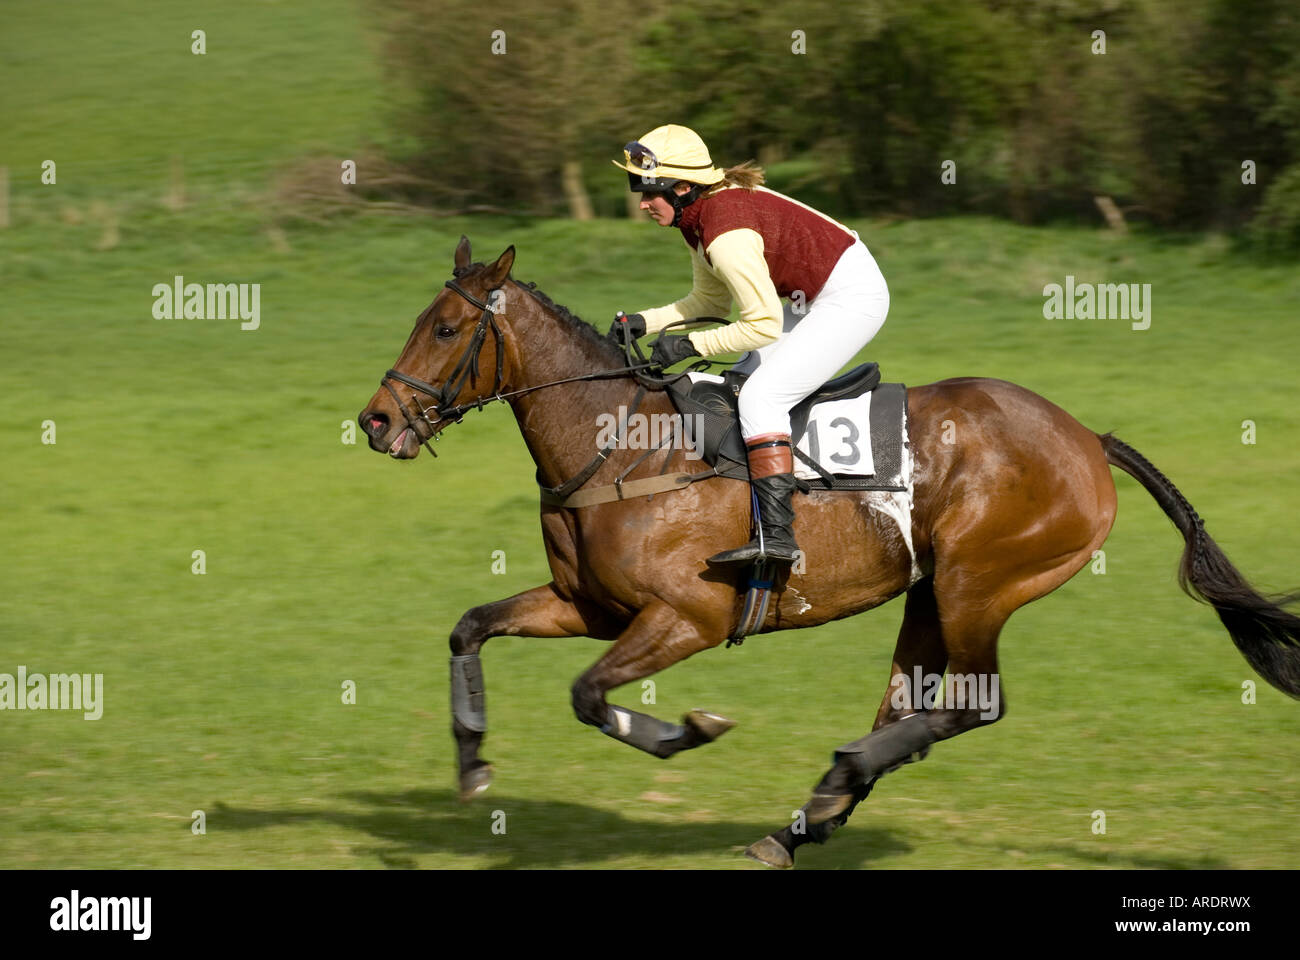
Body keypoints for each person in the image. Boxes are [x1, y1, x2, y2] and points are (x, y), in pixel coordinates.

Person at [609, 124, 890, 566]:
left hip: (851, 297)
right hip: (809, 296)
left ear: (683, 188)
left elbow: (762, 325)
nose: (643, 203)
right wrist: (645, 322)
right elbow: (710, 302)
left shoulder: (725, 233)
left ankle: (779, 536)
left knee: (761, 398)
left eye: (649, 192)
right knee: (739, 382)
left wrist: (689, 346)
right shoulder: (697, 219)